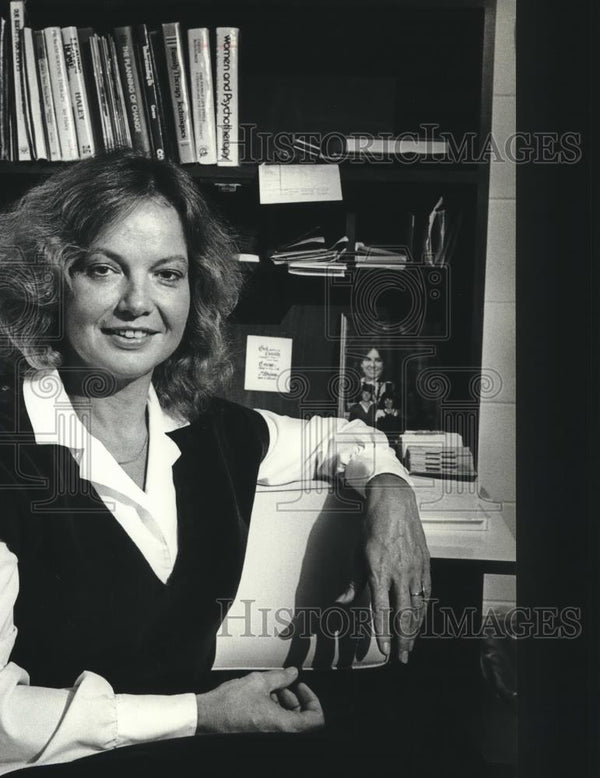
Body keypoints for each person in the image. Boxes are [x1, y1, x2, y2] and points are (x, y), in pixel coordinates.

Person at [0, 151, 430, 775]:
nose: (137, 302)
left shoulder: (216, 431)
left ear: (194, 290)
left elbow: (345, 439)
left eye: (167, 274)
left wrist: (391, 490)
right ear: (52, 282)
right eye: (103, 269)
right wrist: (201, 714)